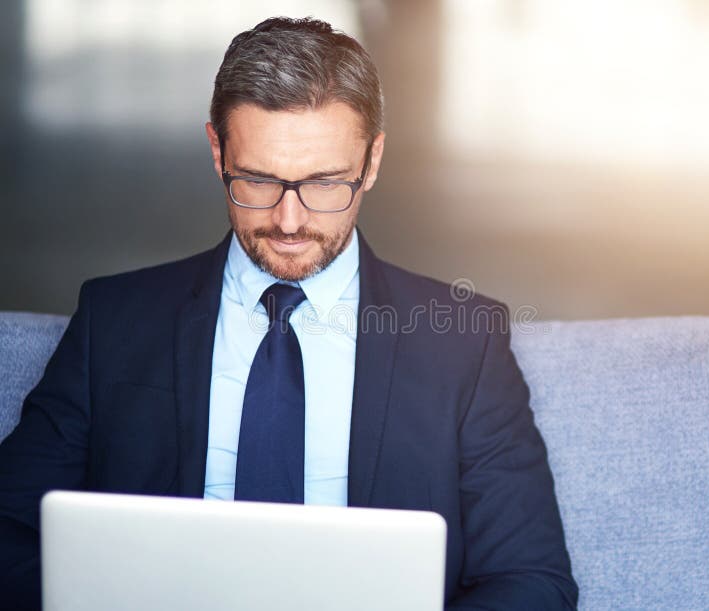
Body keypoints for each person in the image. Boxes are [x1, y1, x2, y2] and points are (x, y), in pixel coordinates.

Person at [0, 17, 578, 610]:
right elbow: (7, 536)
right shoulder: (114, 321)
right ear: (217, 150)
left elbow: (532, 582)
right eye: (257, 181)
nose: (290, 221)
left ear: (372, 162)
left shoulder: (465, 347)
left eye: (326, 184)